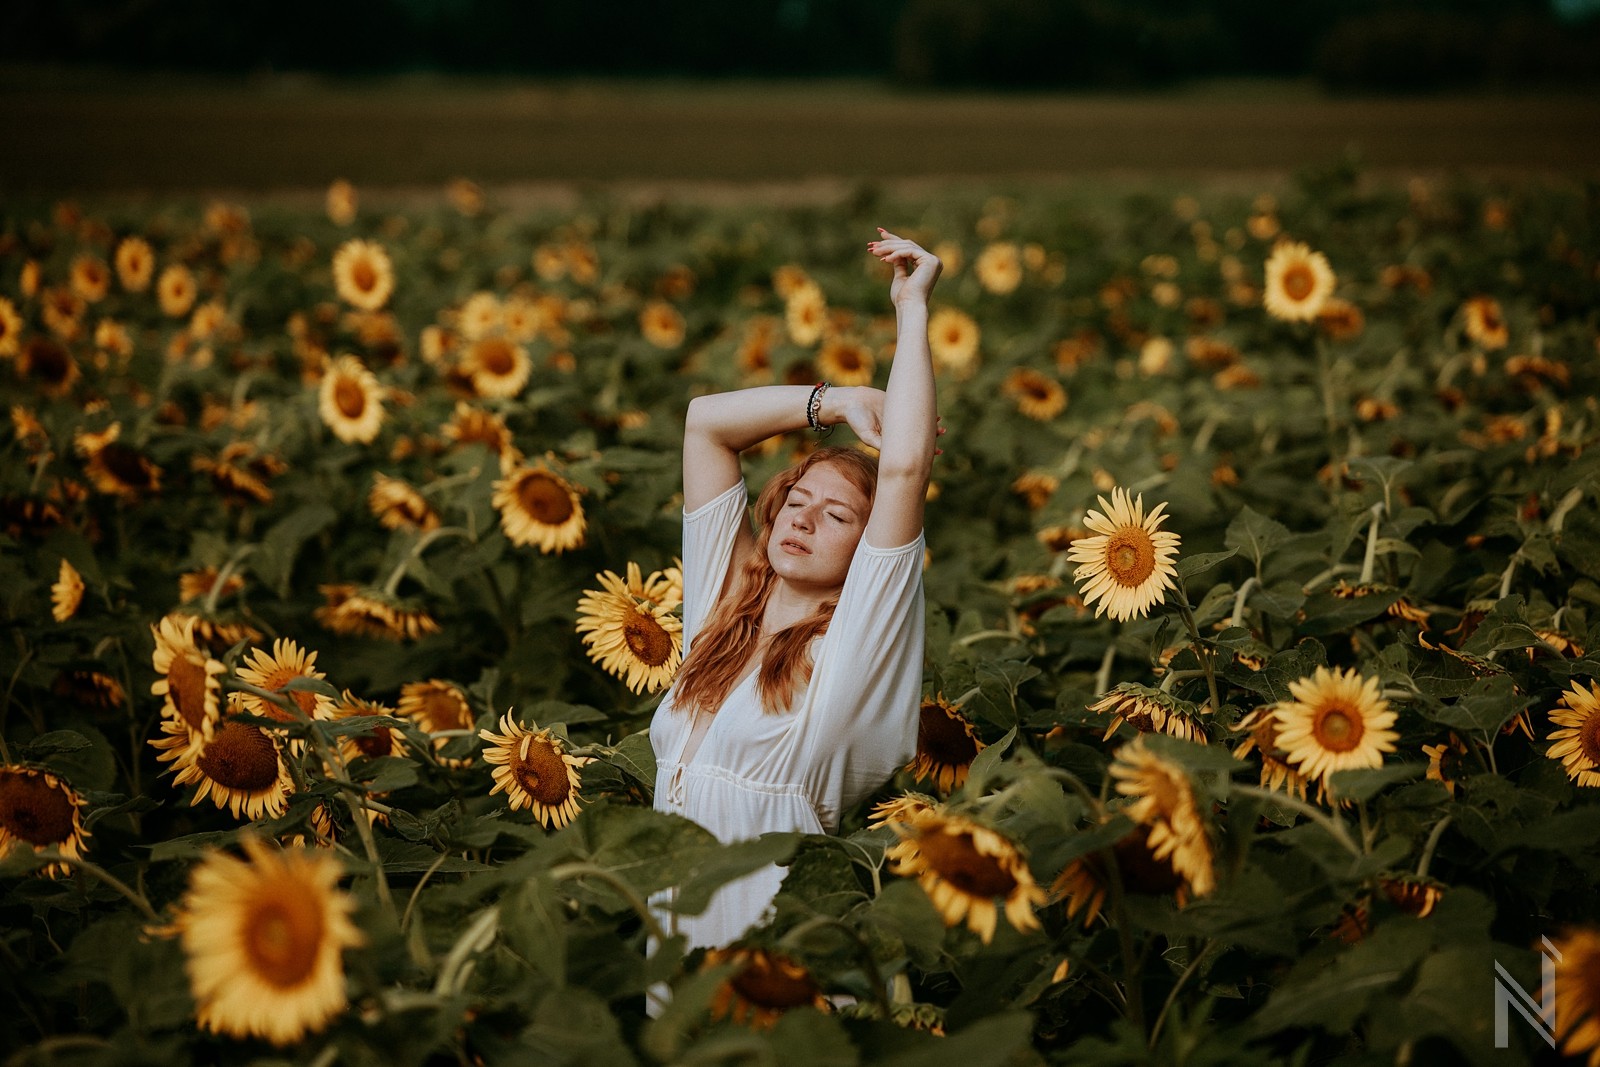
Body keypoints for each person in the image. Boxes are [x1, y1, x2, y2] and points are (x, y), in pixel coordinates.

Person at [649, 228, 944, 959]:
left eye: (838, 514)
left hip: (779, 953)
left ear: (867, 551)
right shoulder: (722, 617)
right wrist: (837, 400)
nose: (804, 518)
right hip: (674, 953)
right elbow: (705, 425)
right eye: (798, 498)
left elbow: (904, 469)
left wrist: (911, 309)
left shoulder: (849, 649)